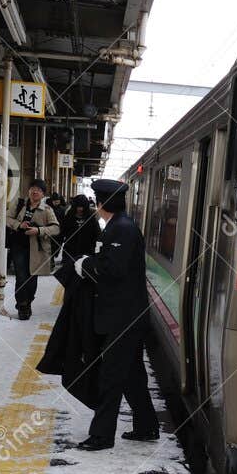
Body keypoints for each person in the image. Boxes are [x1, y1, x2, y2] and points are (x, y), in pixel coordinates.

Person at [68, 178, 159, 450]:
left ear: (101, 203)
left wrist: (86, 265)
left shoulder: (121, 229)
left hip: (124, 317)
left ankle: (102, 436)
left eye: (97, 201)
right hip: (126, 315)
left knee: (111, 377)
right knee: (132, 376)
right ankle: (147, 426)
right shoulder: (120, 226)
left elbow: (114, 269)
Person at [8, 178, 59, 319]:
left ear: (43, 194)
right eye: (33, 188)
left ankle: (28, 301)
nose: (35, 191)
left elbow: (56, 228)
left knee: (32, 277)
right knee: (21, 276)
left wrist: (39, 230)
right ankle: (22, 306)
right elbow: (6, 218)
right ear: (29, 191)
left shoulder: (47, 210)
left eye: (39, 190)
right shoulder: (19, 205)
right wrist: (18, 225)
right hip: (18, 246)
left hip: (37, 248)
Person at [58, 194, 97, 266]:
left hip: (87, 251)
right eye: (78, 207)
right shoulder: (69, 215)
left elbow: (97, 234)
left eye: (82, 207)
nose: (80, 209)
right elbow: (62, 232)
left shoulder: (91, 217)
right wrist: (58, 247)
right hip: (70, 251)